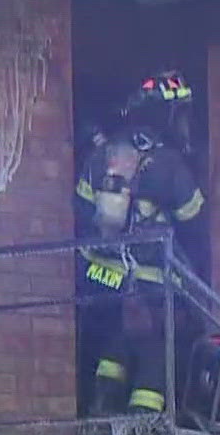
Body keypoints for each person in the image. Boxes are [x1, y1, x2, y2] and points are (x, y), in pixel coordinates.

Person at [74, 70, 209, 416]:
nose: (183, 123)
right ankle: (143, 428)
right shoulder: (169, 164)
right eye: (179, 114)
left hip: (100, 276)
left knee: (115, 345)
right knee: (158, 350)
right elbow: (194, 224)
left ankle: (102, 414)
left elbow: (81, 209)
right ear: (165, 116)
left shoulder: (104, 154)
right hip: (148, 278)